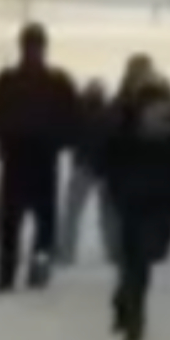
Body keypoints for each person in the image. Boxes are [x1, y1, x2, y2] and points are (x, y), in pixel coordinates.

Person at [0, 23, 80, 293]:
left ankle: (17, 273)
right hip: (26, 156)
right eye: (31, 46)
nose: (33, 51)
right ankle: (23, 272)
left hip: (32, 156)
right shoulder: (50, 81)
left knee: (27, 222)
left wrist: (5, 136)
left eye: (35, 46)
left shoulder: (18, 80)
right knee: (28, 222)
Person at [99, 73, 170, 340]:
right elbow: (109, 164)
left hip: (162, 207)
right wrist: (120, 193)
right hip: (133, 206)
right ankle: (134, 325)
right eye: (151, 110)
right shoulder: (125, 132)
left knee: (142, 262)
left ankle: (122, 302)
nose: (156, 116)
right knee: (136, 264)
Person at [57, 78, 115, 266]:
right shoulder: (109, 114)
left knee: (72, 213)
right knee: (108, 215)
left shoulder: (78, 114)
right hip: (104, 167)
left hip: (84, 165)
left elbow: (68, 138)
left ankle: (66, 252)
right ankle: (113, 252)